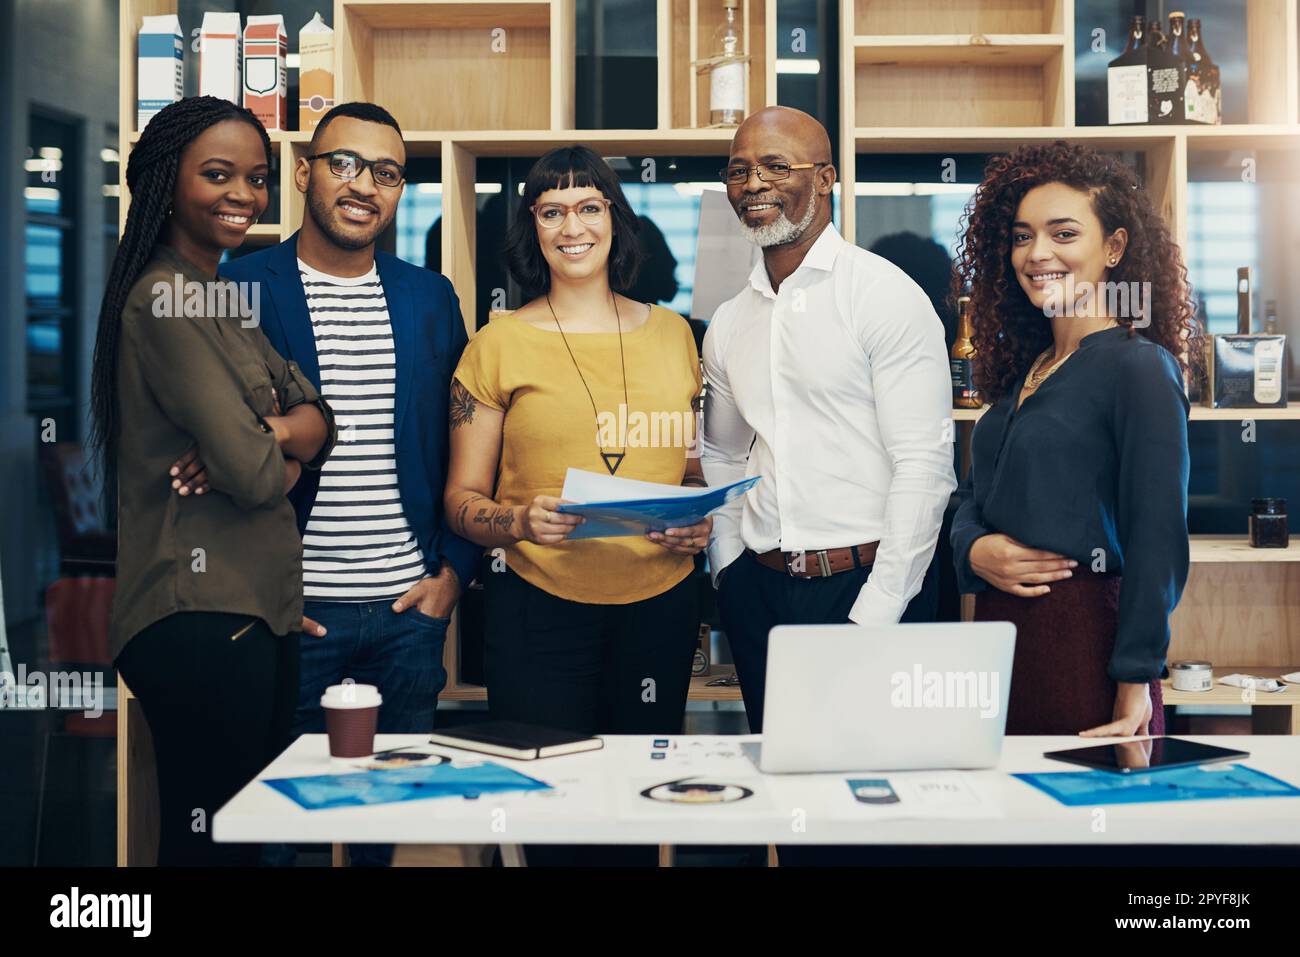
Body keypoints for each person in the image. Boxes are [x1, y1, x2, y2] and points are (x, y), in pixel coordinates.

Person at [221, 102, 479, 867]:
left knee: (382, 832)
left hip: (409, 615)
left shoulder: (429, 298)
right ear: (304, 171)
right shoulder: (240, 288)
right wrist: (257, 592)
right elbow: (211, 459)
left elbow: (469, 443)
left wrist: (452, 577)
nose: (365, 184)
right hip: (294, 620)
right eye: (345, 163)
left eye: (388, 172)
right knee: (277, 836)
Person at [92, 96, 335, 866]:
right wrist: (276, 444)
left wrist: (277, 434)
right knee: (208, 845)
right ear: (168, 182)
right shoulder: (162, 300)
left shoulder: (220, 297)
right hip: (197, 616)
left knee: (236, 841)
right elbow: (259, 473)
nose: (244, 195)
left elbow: (318, 414)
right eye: (219, 174)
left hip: (252, 614)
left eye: (258, 179)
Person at [701, 107, 957, 735]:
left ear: (827, 178)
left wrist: (878, 608)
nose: (754, 184)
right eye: (739, 171)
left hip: (871, 587)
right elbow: (724, 455)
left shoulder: (883, 294)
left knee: (875, 804)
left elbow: (924, 466)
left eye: (776, 166)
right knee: (788, 797)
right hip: (762, 591)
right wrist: (729, 567)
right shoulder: (730, 321)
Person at [445, 146, 708, 741]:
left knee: (642, 793)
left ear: (614, 217)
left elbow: (692, 472)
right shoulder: (497, 343)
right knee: (551, 801)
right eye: (551, 212)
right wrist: (516, 520)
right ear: (532, 228)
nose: (572, 228)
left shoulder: (676, 336)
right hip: (537, 611)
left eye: (589, 207)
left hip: (661, 609)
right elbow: (460, 502)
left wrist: (699, 520)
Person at [950, 140, 1195, 737]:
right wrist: (974, 550)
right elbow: (966, 502)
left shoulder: (1139, 368)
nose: (1038, 254)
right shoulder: (1022, 376)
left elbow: (1157, 538)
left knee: (1083, 825)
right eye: (1021, 236)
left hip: (1087, 642)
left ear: (1113, 247)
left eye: (1063, 235)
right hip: (1000, 638)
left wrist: (1134, 680)